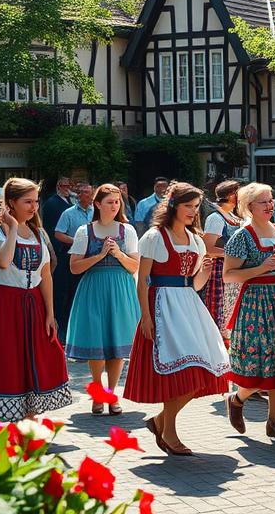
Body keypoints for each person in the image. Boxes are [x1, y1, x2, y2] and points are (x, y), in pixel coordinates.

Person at [124, 182, 230, 456]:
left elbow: (194, 284)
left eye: (196, 207)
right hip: (162, 305)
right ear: (173, 205)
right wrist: (145, 316)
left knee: (204, 368)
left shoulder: (195, 239)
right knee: (181, 371)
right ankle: (168, 430)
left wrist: (204, 272)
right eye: (188, 206)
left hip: (189, 304)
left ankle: (161, 422)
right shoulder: (154, 236)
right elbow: (142, 281)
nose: (193, 212)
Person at [0, 178, 72, 420]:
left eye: (36, 201)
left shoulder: (38, 233)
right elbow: (3, 261)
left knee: (37, 358)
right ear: (11, 203)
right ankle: (10, 420)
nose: (34, 207)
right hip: (5, 304)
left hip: (34, 303)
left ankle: (30, 418)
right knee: (9, 360)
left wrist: (50, 314)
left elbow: (46, 275)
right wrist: (13, 229)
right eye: (27, 201)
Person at [224, 183, 275, 441]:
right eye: (263, 201)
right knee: (259, 367)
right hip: (256, 305)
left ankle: (273, 421)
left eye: (271, 200)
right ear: (249, 207)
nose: (270, 205)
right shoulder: (243, 236)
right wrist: (260, 268)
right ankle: (237, 399)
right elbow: (229, 275)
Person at [65, 183, 141, 416]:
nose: (115, 206)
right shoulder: (84, 231)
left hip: (120, 288)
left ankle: (111, 394)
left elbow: (134, 266)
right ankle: (98, 392)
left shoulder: (127, 231)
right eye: (110, 202)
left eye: (117, 202)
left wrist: (117, 253)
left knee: (117, 346)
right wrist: (99, 256)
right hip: (94, 288)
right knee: (96, 345)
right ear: (98, 204)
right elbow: (74, 268)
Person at [200, 180, 241, 331]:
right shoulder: (216, 218)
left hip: (231, 268)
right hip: (219, 270)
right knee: (219, 311)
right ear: (231, 196)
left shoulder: (230, 215)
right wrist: (235, 255)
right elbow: (208, 248)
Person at [52, 182, 94, 331]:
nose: (91, 196)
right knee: (70, 292)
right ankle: (66, 326)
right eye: (87, 193)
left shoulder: (95, 212)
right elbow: (58, 233)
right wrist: (77, 241)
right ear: (80, 195)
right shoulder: (68, 213)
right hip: (73, 256)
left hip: (92, 258)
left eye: (91, 193)